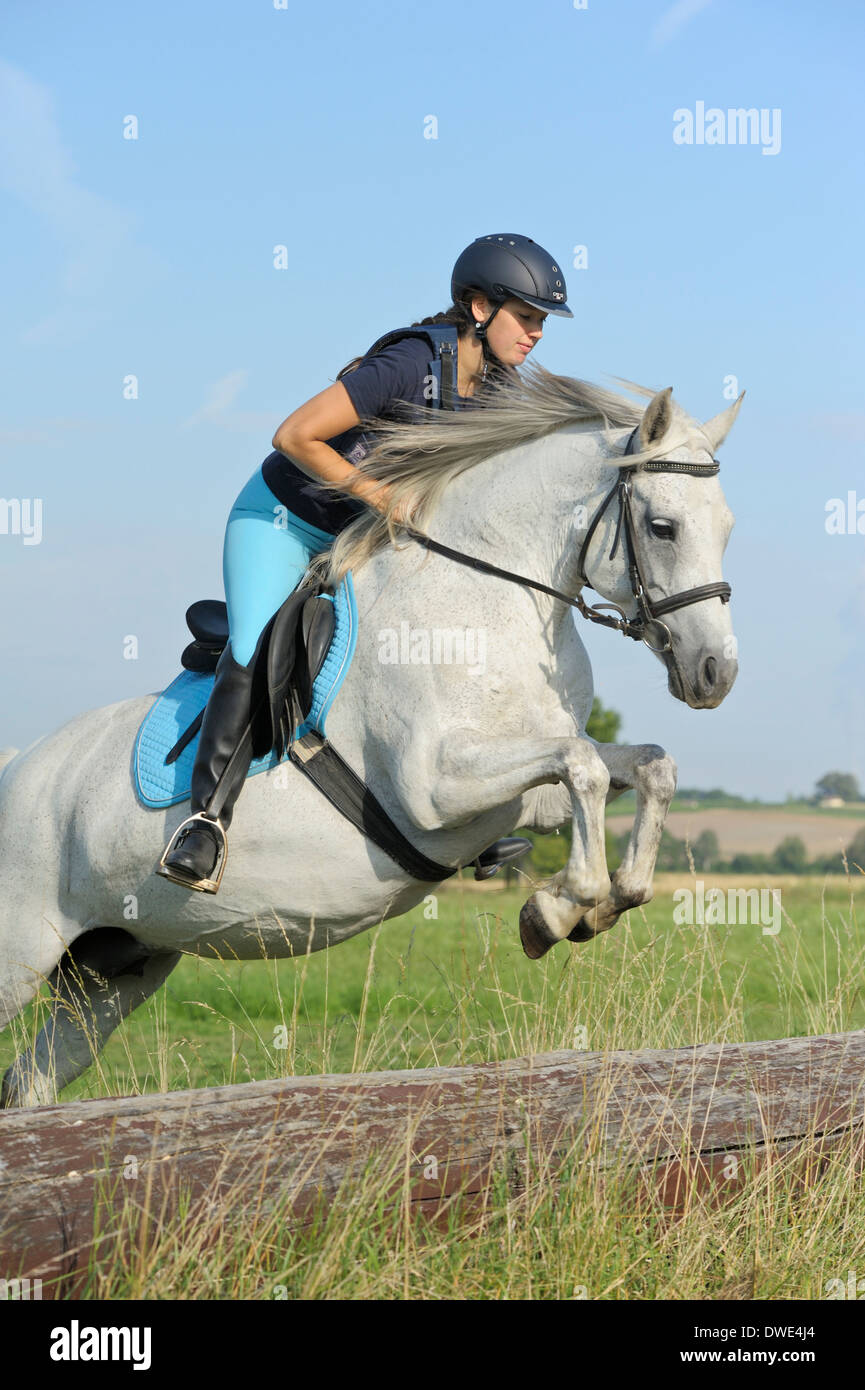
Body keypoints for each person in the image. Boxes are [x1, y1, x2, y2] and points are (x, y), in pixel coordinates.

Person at [157, 234, 573, 892]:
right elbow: (293, 436)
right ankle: (205, 822)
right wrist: (380, 495)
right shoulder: (409, 364)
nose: (536, 333)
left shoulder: (498, 390)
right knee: (256, 639)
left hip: (363, 533)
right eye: (526, 316)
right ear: (477, 307)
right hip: (281, 519)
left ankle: (468, 816)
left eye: (542, 321)